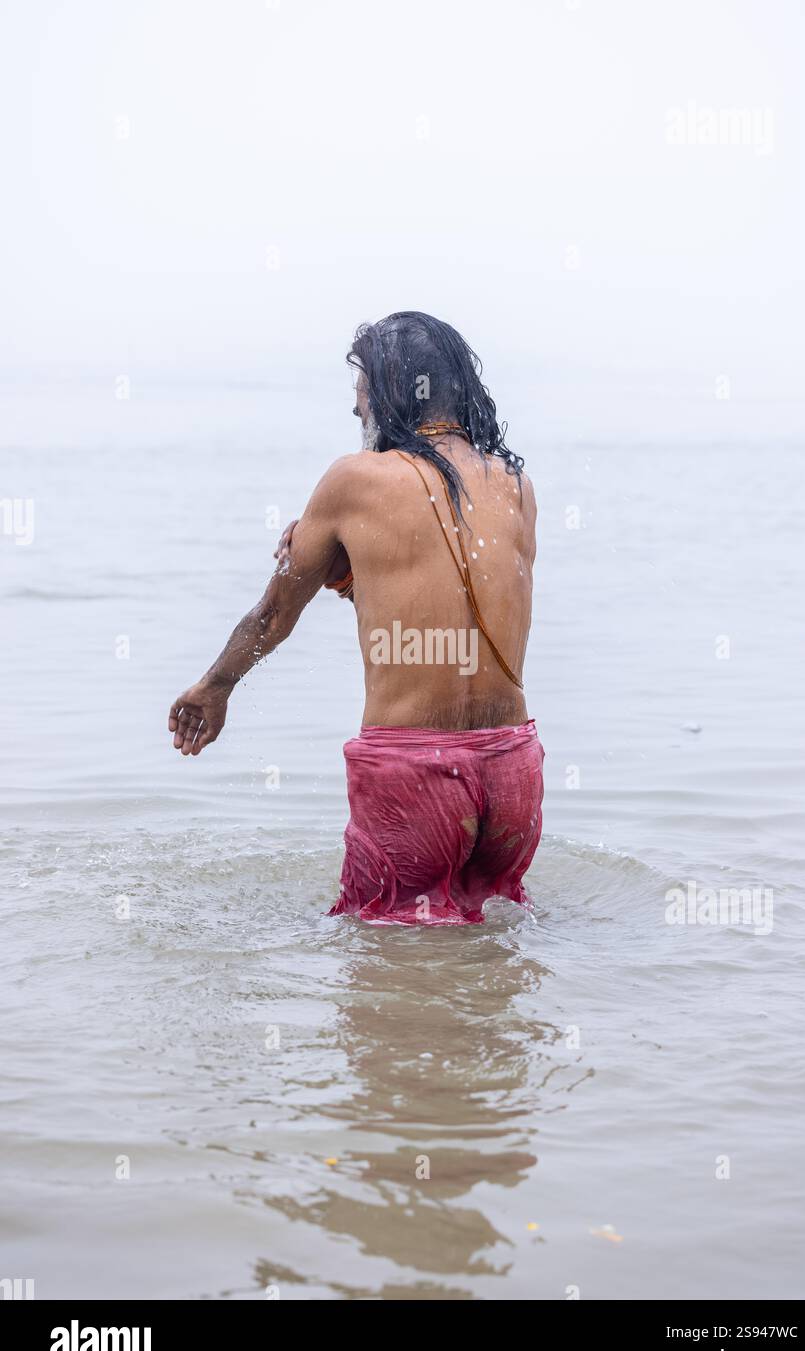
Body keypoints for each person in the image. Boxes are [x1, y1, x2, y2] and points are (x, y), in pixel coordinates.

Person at [168, 311, 544, 924]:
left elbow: (272, 615)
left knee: (384, 970)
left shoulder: (353, 480)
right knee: (487, 960)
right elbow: (458, 608)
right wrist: (350, 576)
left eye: (361, 398)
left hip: (414, 776)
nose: (357, 416)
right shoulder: (518, 485)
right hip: (513, 773)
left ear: (393, 392)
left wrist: (215, 686)